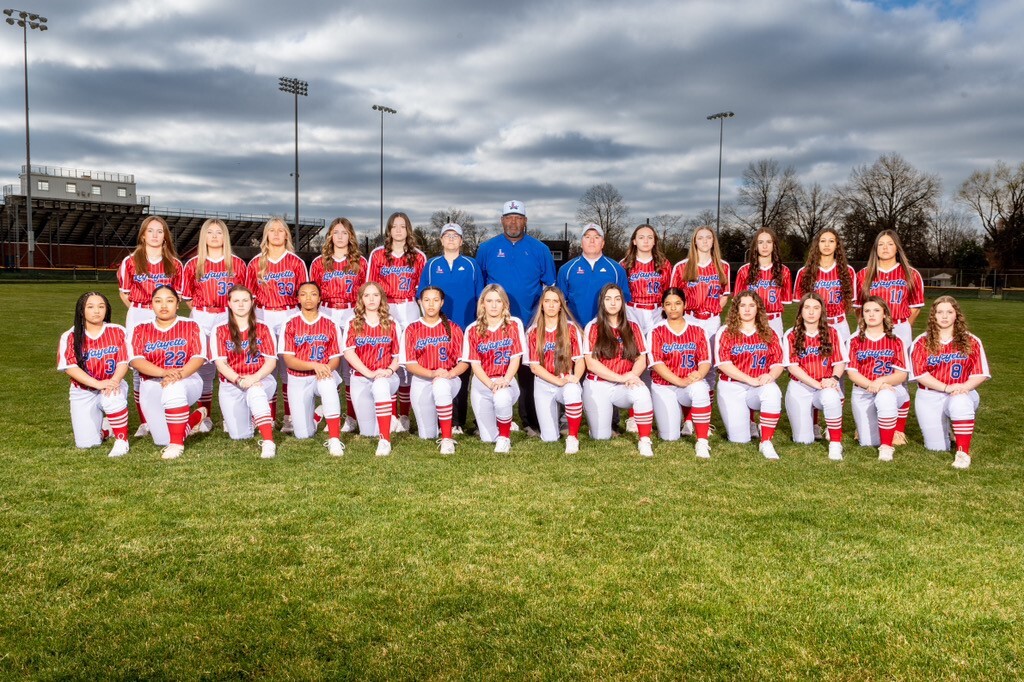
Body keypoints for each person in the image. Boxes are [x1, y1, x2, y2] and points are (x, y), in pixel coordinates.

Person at [476, 201, 556, 436]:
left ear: (525, 221)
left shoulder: (539, 248)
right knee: (495, 368)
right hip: (496, 323)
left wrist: (541, 317)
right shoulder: (487, 248)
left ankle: (531, 421)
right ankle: (497, 417)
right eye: (509, 218)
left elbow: (549, 285)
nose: (513, 222)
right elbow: (481, 287)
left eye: (518, 218)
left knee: (528, 372)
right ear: (501, 221)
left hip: (530, 322)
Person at [117, 215, 183, 438]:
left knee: (166, 359)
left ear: (165, 237)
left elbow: (178, 296)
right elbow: (124, 294)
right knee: (139, 367)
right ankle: (145, 421)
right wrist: (144, 311)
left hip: (166, 316)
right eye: (150, 231)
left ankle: (168, 410)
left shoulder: (174, 263)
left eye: (160, 231)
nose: (155, 235)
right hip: (139, 313)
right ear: (143, 235)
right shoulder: (130, 261)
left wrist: (161, 310)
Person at [855, 230, 923, 444]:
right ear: (875, 249)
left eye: (890, 244)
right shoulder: (864, 274)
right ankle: (865, 425)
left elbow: (915, 307)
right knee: (866, 374)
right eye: (881, 244)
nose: (885, 248)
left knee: (899, 379)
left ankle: (897, 430)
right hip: (869, 329)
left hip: (899, 329)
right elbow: (859, 307)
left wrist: (898, 329)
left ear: (897, 248)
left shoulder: (910, 273)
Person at [416, 221, 484, 435]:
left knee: (461, 374)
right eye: (447, 235)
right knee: (439, 371)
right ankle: (439, 417)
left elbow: (481, 297)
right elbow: (421, 296)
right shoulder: (432, 264)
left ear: (462, 241)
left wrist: (477, 326)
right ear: (441, 240)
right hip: (438, 328)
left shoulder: (471, 264)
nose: (451, 239)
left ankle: (458, 422)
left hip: (464, 327)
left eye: (455, 236)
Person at [128, 285, 211, 459]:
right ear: (151, 304)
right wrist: (165, 372)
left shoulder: (192, 325)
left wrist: (177, 375)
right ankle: (196, 416)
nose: (163, 305)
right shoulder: (140, 327)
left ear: (178, 303)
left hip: (186, 380)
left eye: (169, 300)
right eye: (158, 301)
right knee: (161, 439)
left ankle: (176, 445)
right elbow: (136, 360)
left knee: (174, 388)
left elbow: (198, 357)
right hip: (151, 383)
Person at [180, 218, 250, 419]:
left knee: (233, 364)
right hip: (202, 315)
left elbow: (244, 295)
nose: (214, 236)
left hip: (229, 315)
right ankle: (205, 416)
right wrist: (204, 312)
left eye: (219, 232)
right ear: (204, 236)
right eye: (210, 232)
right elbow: (188, 297)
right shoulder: (194, 263)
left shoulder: (236, 263)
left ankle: (235, 413)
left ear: (225, 236)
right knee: (204, 367)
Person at [910, 296, 990, 469]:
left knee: (960, 403)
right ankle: (949, 429)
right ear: (933, 316)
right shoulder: (921, 341)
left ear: (956, 315)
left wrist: (963, 387)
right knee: (936, 448)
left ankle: (962, 453)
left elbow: (981, 373)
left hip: (962, 393)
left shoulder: (972, 341)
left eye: (949, 312)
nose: (944, 316)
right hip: (930, 395)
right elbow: (920, 374)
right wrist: (946, 387)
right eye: (940, 312)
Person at [367, 211, 426, 433]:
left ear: (408, 229)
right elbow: (370, 286)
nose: (399, 230)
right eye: (394, 226)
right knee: (387, 354)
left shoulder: (418, 256)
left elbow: (423, 289)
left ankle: (404, 414)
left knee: (407, 358)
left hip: (409, 306)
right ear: (389, 230)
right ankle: (390, 414)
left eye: (403, 226)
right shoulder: (378, 254)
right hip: (386, 306)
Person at [669, 225, 731, 435]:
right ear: (694, 242)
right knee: (688, 365)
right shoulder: (682, 266)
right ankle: (688, 420)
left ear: (714, 241)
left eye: (708, 238)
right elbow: (674, 296)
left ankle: (703, 417)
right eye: (700, 238)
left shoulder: (722, 266)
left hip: (712, 321)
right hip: (690, 319)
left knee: (710, 369)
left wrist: (714, 310)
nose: (704, 241)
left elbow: (724, 294)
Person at [248, 218, 307, 434]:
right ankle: (269, 416)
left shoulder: (296, 262)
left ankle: (290, 417)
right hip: (263, 315)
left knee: (289, 369)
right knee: (265, 369)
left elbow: (304, 295)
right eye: (271, 230)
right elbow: (249, 297)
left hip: (289, 314)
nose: (275, 234)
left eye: (280, 230)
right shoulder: (256, 262)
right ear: (266, 235)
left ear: (286, 235)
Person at [582, 284, 655, 457]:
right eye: (608, 299)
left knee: (642, 392)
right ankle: (598, 428)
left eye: (617, 299)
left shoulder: (633, 327)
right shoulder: (592, 327)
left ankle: (645, 440)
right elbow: (591, 364)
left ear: (622, 302)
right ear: (602, 302)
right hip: (598, 385)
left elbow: (641, 358)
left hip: (624, 384)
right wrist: (622, 377)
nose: (613, 303)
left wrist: (632, 375)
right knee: (601, 438)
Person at [57, 291, 131, 457]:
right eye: (90, 307)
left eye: (101, 306)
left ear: (107, 309)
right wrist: (98, 384)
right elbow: (70, 367)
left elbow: (123, 361)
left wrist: (113, 381)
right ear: (81, 311)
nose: (96, 311)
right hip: (83, 391)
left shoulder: (117, 331)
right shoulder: (70, 335)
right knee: (87, 444)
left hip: (112, 382)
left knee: (112, 395)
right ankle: (106, 429)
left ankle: (122, 440)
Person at [310, 217, 367, 432]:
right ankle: (329, 411)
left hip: (352, 311)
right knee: (329, 364)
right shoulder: (319, 262)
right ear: (330, 236)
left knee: (351, 367)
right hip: (326, 311)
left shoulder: (360, 261)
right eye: (336, 232)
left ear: (350, 236)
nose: (340, 236)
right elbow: (312, 293)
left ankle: (351, 417)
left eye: (345, 232)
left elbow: (364, 292)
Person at [713, 291, 784, 460]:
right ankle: (749, 425)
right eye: (742, 305)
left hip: (759, 385)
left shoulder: (768, 331)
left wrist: (771, 376)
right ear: (736, 309)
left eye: (751, 305)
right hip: (732, 386)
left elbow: (778, 362)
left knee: (772, 391)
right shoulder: (726, 331)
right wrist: (748, 379)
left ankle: (765, 441)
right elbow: (723, 363)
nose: (747, 309)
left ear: (758, 308)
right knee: (740, 440)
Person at [211, 285, 279, 459]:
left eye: (245, 300)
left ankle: (268, 442)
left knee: (255, 391)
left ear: (252, 302)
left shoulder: (264, 327)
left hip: (261, 380)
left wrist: (254, 378)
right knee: (240, 436)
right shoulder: (219, 329)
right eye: (236, 301)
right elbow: (221, 364)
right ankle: (200, 415)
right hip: (231, 385)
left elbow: (271, 361)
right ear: (229, 304)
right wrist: (240, 380)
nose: (241, 305)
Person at [279, 282, 344, 456]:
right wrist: (315, 365)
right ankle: (316, 416)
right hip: (298, 378)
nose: (308, 298)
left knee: (328, 384)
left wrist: (325, 370)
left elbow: (335, 358)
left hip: (321, 376)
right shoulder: (290, 323)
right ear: (297, 298)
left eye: (313, 294)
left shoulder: (330, 323)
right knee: (303, 435)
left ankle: (334, 439)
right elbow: (289, 360)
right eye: (304, 294)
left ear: (320, 298)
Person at [647, 288, 713, 458]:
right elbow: (657, 364)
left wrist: (699, 374)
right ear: (662, 307)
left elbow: (705, 360)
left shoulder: (698, 329)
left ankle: (702, 442)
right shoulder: (656, 330)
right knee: (669, 437)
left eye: (677, 303)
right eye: (668, 304)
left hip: (689, 383)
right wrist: (678, 381)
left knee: (700, 389)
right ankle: (683, 422)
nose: (673, 308)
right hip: (664, 386)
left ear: (685, 305)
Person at [402, 286, 468, 455]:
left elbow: (464, 362)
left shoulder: (453, 328)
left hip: (448, 379)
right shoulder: (412, 329)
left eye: (435, 300)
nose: (431, 304)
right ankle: (438, 429)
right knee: (427, 435)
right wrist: (432, 373)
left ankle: (447, 437)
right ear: (420, 302)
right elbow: (410, 364)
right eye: (426, 300)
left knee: (440, 385)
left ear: (442, 303)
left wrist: (449, 374)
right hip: (422, 379)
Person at [462, 284, 527, 454]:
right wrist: (491, 384)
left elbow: (515, 357)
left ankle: (505, 437)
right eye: (489, 300)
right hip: (482, 384)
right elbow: (475, 364)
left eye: (498, 301)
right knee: (488, 438)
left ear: (505, 304)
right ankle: (503, 420)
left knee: (502, 396)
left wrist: (505, 380)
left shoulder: (514, 324)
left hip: (506, 379)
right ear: (482, 303)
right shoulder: (472, 329)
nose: (493, 305)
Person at [783, 293, 848, 461]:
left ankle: (835, 443)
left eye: (816, 308)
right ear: (801, 311)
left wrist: (833, 379)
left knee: (831, 396)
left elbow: (840, 361)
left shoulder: (832, 332)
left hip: (826, 384)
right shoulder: (791, 334)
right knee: (803, 440)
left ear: (822, 311)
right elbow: (792, 367)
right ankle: (812, 425)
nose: (811, 312)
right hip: (801, 386)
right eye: (807, 307)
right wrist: (816, 384)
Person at [846, 296, 911, 461]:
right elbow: (852, 374)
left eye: (876, 310)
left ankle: (887, 447)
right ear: (862, 315)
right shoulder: (854, 340)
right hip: (863, 391)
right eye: (867, 311)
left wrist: (880, 382)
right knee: (867, 443)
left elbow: (901, 375)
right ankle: (874, 431)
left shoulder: (896, 341)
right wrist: (873, 384)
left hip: (891, 389)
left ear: (884, 315)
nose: (871, 314)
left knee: (886, 396)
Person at [343, 281, 402, 457]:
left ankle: (385, 440)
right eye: (367, 295)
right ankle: (388, 420)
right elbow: (348, 352)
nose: (371, 299)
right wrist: (368, 373)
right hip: (361, 377)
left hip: (386, 376)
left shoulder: (391, 323)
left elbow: (398, 356)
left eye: (375, 295)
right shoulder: (353, 322)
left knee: (381, 384)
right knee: (368, 432)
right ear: (361, 299)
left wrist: (389, 370)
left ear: (381, 298)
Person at [526, 286, 586, 454]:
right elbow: (535, 367)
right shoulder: (532, 331)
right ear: (542, 304)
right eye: (547, 301)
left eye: (555, 301)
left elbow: (580, 360)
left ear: (561, 305)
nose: (551, 305)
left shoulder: (571, 328)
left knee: (573, 390)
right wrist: (557, 381)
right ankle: (557, 424)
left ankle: (572, 437)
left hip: (565, 380)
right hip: (544, 384)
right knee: (550, 438)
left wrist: (575, 377)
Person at [557, 222, 632, 326]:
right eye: (587, 237)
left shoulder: (617, 269)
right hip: (576, 330)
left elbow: (624, 305)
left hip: (606, 331)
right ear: (581, 242)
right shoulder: (566, 269)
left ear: (603, 243)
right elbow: (559, 304)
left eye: (597, 237)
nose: (592, 241)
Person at [793, 228, 856, 344]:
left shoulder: (848, 271)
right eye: (823, 241)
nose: (827, 244)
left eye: (831, 241)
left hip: (840, 325)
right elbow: (801, 307)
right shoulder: (804, 272)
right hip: (813, 325)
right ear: (817, 244)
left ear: (837, 245)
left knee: (843, 360)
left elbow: (850, 303)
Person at [733, 227, 791, 339]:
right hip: (750, 321)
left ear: (774, 245)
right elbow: (738, 302)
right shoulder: (744, 271)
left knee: (776, 355)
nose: (765, 246)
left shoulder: (784, 271)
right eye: (760, 242)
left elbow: (784, 301)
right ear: (755, 245)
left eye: (769, 242)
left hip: (774, 321)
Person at [620, 223, 673, 337]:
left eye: (650, 237)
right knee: (634, 350)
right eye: (641, 237)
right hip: (632, 311)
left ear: (654, 241)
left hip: (657, 312)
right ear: (634, 241)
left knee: (655, 349)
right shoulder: (624, 264)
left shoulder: (664, 264)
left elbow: (668, 291)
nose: (646, 241)